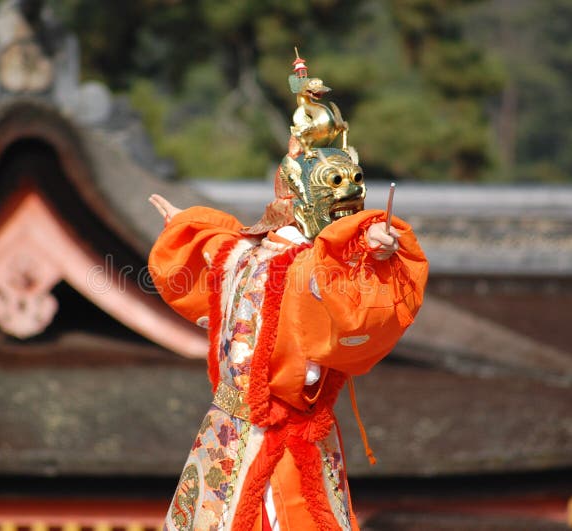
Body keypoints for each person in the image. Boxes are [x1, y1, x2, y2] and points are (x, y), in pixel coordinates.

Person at [148, 54, 429, 531]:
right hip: (240, 432)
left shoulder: (286, 261)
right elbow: (219, 247)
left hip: (269, 432)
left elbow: (346, 273)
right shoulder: (259, 257)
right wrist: (182, 223)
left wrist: (374, 250)